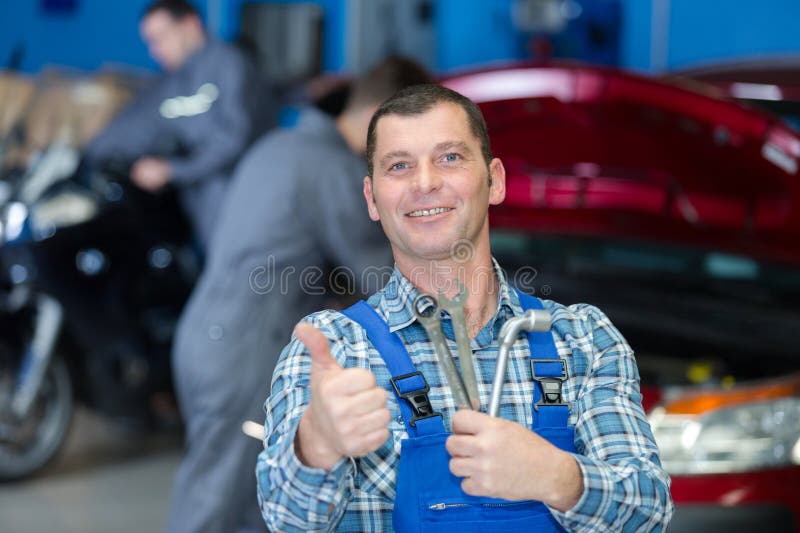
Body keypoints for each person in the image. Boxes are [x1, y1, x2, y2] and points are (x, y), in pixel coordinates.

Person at [256, 84, 675, 532]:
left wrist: (556, 476)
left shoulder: (583, 339)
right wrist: (318, 442)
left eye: (450, 157)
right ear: (372, 199)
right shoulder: (334, 351)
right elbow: (287, 520)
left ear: (495, 180)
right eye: (399, 166)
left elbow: (648, 512)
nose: (424, 182)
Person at [166, 57, 433, 533]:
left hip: (206, 335)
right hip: (244, 350)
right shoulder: (330, 167)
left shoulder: (279, 145)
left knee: (250, 499)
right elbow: (382, 275)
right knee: (213, 507)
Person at [86, 0, 255, 251]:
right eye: (150, 42)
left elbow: (235, 138)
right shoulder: (171, 81)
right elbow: (138, 126)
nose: (155, 50)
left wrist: (173, 170)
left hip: (240, 199)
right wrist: (93, 153)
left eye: (161, 37)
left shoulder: (229, 64)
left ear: (190, 25)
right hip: (198, 211)